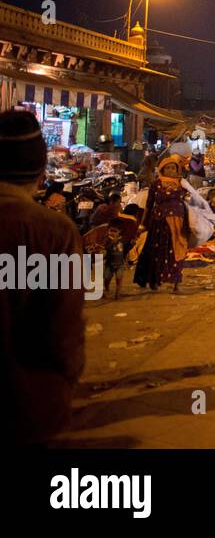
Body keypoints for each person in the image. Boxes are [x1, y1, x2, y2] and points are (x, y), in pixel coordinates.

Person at [0, 110, 86, 445]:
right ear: (39, 171)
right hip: (27, 403)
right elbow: (63, 325)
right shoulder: (51, 232)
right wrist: (64, 382)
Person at [132, 154, 190, 293]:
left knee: (178, 252)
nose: (171, 170)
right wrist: (143, 223)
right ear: (162, 170)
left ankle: (176, 284)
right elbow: (149, 205)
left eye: (173, 168)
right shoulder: (156, 184)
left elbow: (190, 201)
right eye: (168, 168)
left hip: (178, 224)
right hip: (159, 224)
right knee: (156, 254)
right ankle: (154, 281)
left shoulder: (182, 184)